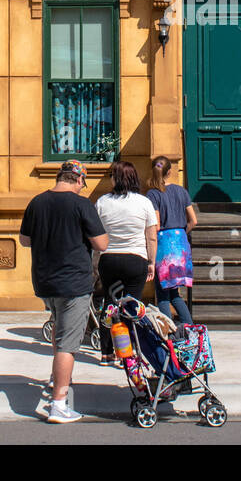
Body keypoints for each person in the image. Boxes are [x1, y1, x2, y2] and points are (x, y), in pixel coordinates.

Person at [19, 160, 108, 424]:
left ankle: (54, 380)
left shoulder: (37, 202)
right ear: (79, 180)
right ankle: (59, 403)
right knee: (69, 344)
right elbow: (101, 243)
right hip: (74, 283)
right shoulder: (82, 205)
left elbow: (25, 240)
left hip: (45, 281)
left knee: (59, 330)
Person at [93, 160, 158, 365]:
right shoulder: (144, 202)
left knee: (110, 305)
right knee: (132, 306)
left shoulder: (102, 202)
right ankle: (128, 353)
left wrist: (95, 259)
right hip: (135, 258)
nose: (110, 178)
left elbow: (96, 233)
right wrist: (152, 261)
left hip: (109, 258)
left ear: (118, 178)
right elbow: (152, 236)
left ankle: (106, 352)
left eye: (112, 175)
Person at [145, 155, 197, 324]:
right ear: (169, 172)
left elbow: (156, 224)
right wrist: (182, 232)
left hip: (163, 244)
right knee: (175, 292)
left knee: (162, 294)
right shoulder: (182, 191)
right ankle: (189, 327)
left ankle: (166, 333)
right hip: (180, 244)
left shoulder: (153, 194)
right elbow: (193, 220)